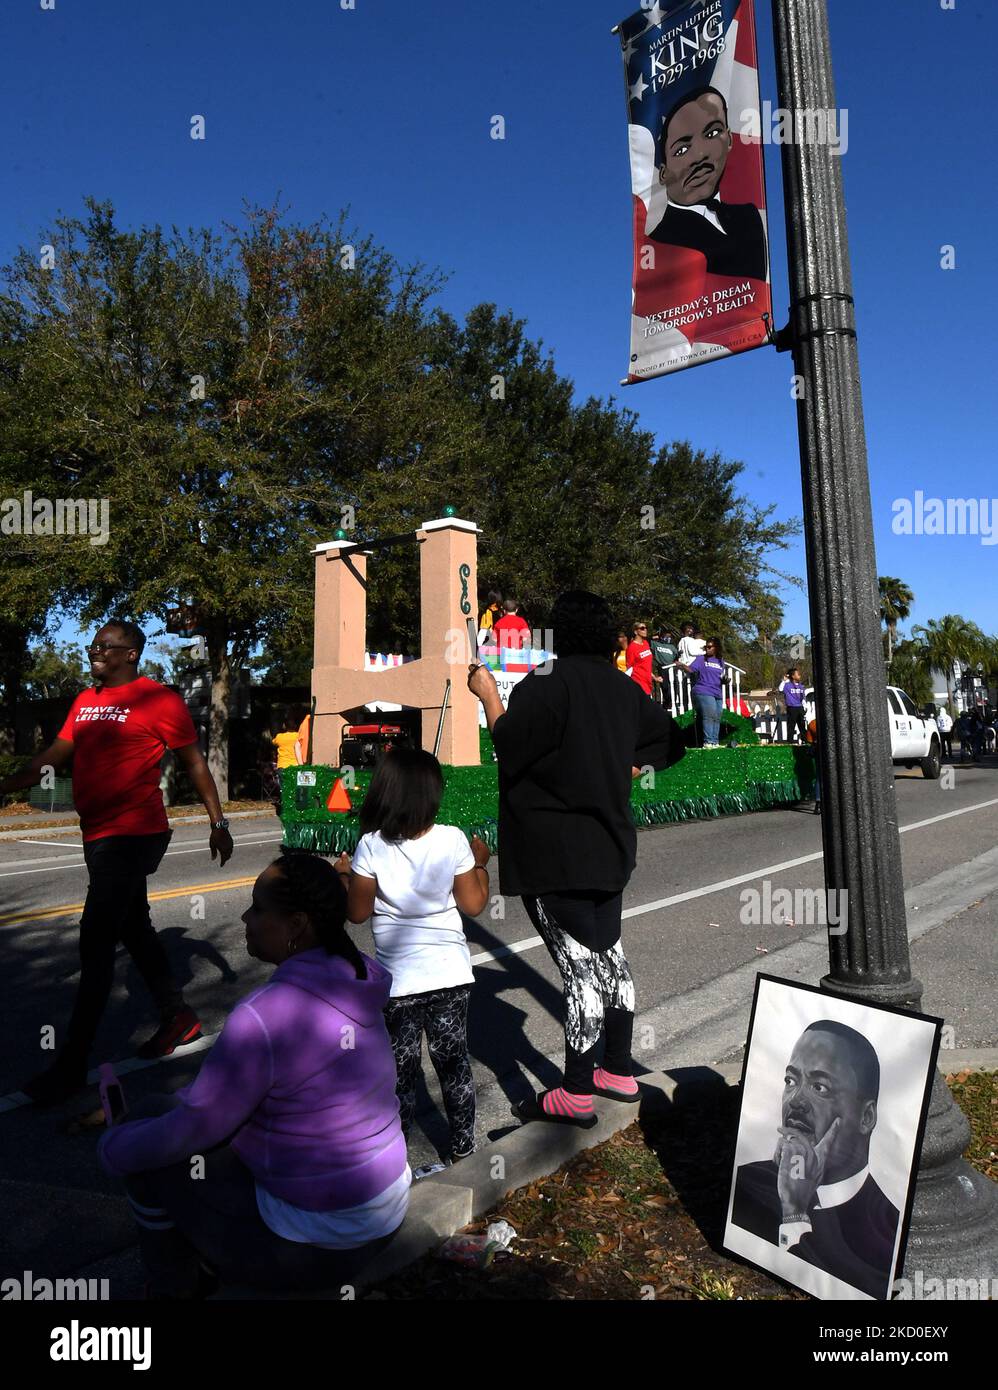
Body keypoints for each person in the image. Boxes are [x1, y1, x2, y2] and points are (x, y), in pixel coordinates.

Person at [98, 854, 408, 1296]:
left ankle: (175, 1286)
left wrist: (112, 1150)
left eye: (258, 908)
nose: (245, 917)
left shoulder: (266, 1014)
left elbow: (196, 1126)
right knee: (156, 1111)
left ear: (297, 924)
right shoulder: (356, 976)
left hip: (317, 1245)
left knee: (144, 1153)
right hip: (382, 1212)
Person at [467, 591, 684, 1127]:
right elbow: (671, 741)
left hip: (552, 851)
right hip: (610, 849)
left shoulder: (546, 681)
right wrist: (630, 767)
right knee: (610, 957)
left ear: (557, 636)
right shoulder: (621, 688)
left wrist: (488, 693)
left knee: (577, 967)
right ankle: (617, 1069)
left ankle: (576, 1092)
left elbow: (509, 745)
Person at [0, 619, 234, 1106]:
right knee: (135, 929)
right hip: (98, 833)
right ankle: (178, 1015)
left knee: (96, 939)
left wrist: (219, 822)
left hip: (135, 833)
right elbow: (53, 757)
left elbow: (194, 762)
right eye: (93, 645)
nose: (95, 652)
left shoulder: (159, 700)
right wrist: (6, 785)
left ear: (132, 654)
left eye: (106, 646)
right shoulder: (86, 703)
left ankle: (69, 1067)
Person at [335, 750, 489, 1168]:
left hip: (398, 984)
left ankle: (395, 1160)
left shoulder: (370, 845)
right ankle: (463, 1151)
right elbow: (474, 905)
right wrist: (480, 864)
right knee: (453, 1065)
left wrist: (344, 875)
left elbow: (356, 913)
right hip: (450, 976)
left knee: (400, 1075)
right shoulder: (453, 838)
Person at [730, 1021, 900, 1299]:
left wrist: (795, 1213)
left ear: (866, 1117)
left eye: (820, 1088)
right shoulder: (746, 1183)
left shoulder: (886, 1232)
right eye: (791, 1081)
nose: (796, 1101)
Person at [648, 86, 768, 282]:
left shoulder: (749, 216)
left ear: (729, 139)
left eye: (712, 134)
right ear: (663, 173)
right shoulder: (659, 243)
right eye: (682, 149)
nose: (700, 155)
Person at [679, 636, 727, 747]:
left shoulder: (721, 661)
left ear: (716, 648)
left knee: (717, 716)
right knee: (709, 715)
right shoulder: (701, 659)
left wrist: (724, 681)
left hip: (717, 692)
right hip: (703, 690)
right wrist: (682, 665)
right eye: (706, 647)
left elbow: (719, 677)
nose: (707, 649)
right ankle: (708, 741)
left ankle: (715, 742)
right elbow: (691, 669)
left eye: (710, 647)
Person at [779, 667, 808, 745]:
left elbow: (803, 698)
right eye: (798, 674)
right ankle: (790, 742)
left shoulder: (801, 686)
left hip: (800, 707)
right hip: (792, 708)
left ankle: (805, 741)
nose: (799, 676)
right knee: (791, 726)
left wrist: (804, 706)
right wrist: (784, 681)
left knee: (802, 725)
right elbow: (780, 689)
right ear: (793, 676)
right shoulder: (787, 685)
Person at [625, 620, 655, 697]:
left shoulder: (646, 643)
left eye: (646, 628)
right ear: (635, 632)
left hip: (648, 682)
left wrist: (654, 677)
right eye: (642, 628)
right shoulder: (631, 648)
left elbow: (645, 665)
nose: (645, 630)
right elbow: (629, 668)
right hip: (638, 683)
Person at [649, 628, 677, 705]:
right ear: (661, 636)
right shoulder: (655, 644)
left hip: (672, 667)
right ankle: (667, 702)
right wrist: (653, 637)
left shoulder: (672, 646)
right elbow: (645, 641)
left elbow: (677, 656)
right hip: (662, 667)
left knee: (673, 684)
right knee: (664, 686)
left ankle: (673, 701)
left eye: (669, 636)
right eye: (666, 636)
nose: (668, 638)